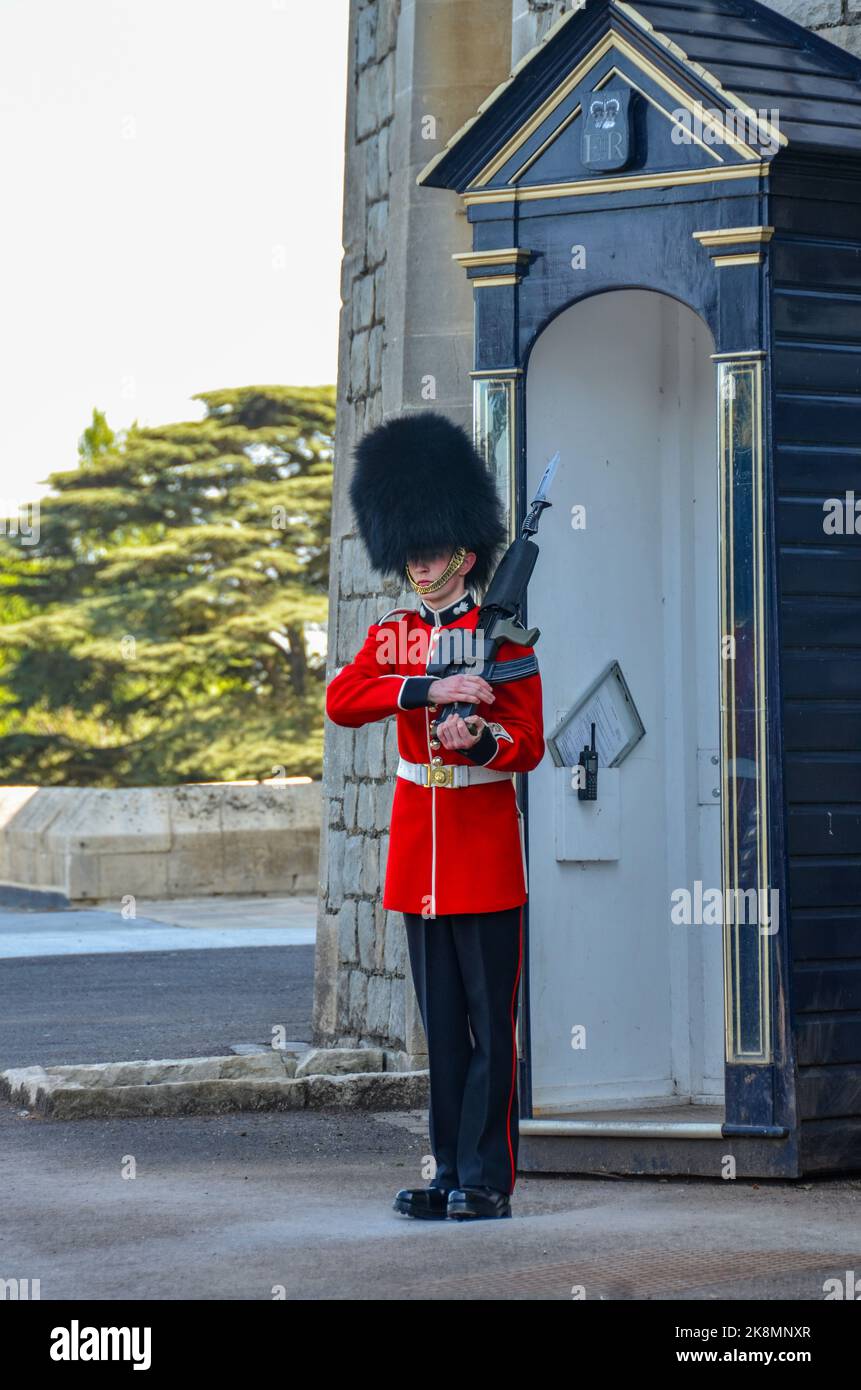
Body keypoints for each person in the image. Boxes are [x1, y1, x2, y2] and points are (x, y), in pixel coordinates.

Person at [325, 409, 545, 1220]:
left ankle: (489, 1180)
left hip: (484, 854)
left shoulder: (505, 634)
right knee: (442, 1033)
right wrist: (430, 688)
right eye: (411, 552)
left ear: (464, 552)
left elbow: (527, 745)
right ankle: (448, 1170)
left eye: (433, 551)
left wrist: (478, 734)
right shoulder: (392, 635)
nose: (420, 565)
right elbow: (344, 701)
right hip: (418, 856)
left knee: (492, 1030)